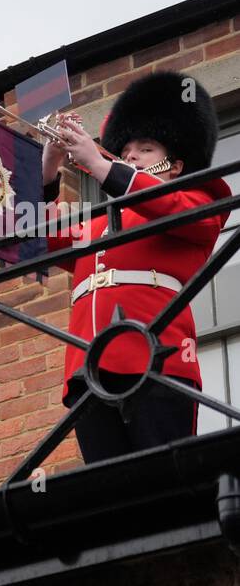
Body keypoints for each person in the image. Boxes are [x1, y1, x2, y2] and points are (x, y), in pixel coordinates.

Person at [42, 71, 229, 463]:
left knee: (163, 484)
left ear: (175, 165)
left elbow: (166, 206)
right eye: (125, 149)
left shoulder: (196, 200)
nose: (129, 155)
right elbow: (43, 241)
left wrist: (100, 165)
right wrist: (48, 173)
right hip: (87, 368)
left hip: (155, 357)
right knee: (110, 495)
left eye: (145, 149)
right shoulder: (101, 222)